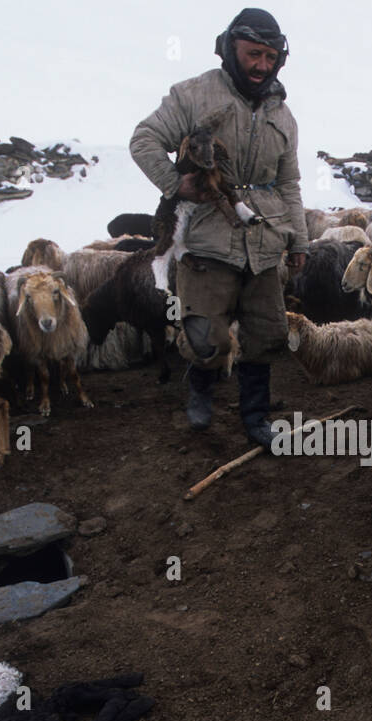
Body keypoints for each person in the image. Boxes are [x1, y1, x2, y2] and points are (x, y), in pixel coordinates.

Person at [130, 8, 309, 447]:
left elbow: (288, 182)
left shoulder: (283, 116)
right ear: (231, 48)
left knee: (266, 334)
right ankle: (201, 394)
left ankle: (255, 416)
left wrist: (300, 238)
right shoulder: (194, 95)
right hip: (208, 239)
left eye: (270, 57)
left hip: (264, 241)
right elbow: (144, 140)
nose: (261, 66)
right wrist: (177, 184)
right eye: (253, 54)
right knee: (205, 337)